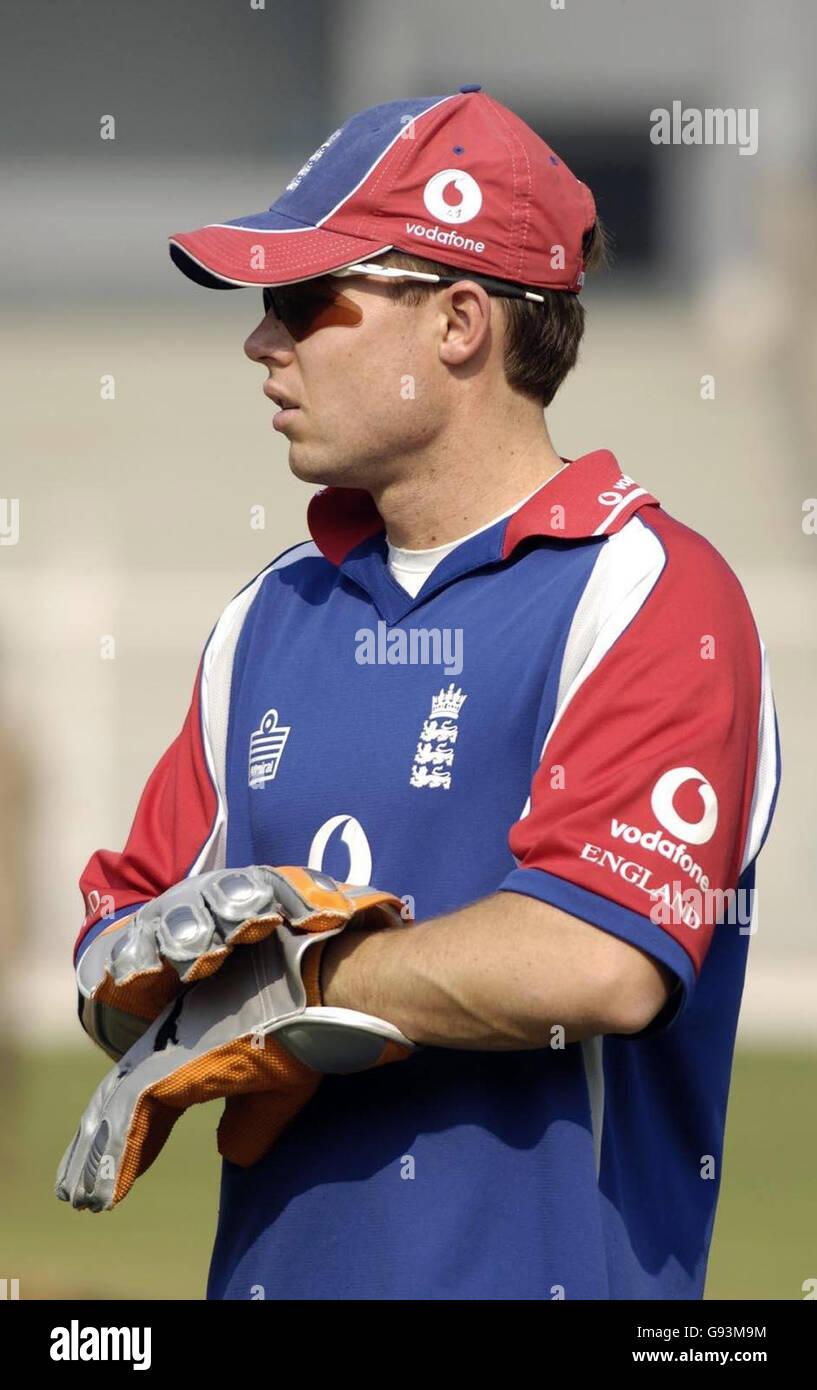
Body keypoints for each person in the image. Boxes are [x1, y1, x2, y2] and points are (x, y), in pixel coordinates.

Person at [69, 86, 780, 1300]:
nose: (261, 342)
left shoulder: (648, 592)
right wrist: (140, 978)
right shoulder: (269, 613)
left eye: (306, 299)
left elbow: (595, 956)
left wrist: (297, 981)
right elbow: (122, 938)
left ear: (458, 321)